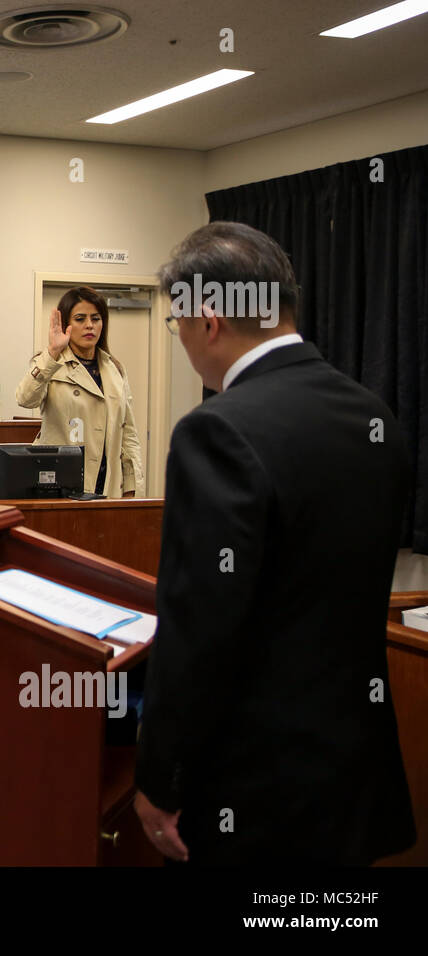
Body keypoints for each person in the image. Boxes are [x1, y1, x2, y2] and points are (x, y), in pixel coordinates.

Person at [134, 221, 415, 865]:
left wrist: (159, 776)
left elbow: (200, 627)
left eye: (177, 325)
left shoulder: (217, 432)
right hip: (354, 770)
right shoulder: (374, 416)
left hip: (256, 789)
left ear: (208, 320)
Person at [13, 287, 142, 498]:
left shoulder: (114, 368)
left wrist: (131, 487)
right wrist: (53, 352)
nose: (89, 325)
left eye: (96, 318)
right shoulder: (50, 363)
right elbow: (25, 398)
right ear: (67, 324)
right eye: (80, 319)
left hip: (107, 483)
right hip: (61, 483)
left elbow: (128, 434)